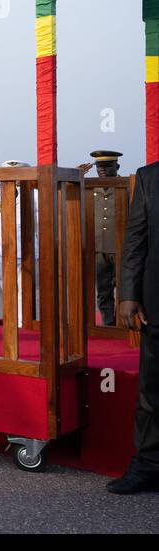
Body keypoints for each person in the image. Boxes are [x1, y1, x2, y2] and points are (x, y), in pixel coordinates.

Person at [109, 159, 159, 493]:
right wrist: (128, 294)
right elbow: (135, 240)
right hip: (156, 303)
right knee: (152, 393)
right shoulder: (149, 177)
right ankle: (148, 465)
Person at [0, 160, 36, 325]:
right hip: (0, 246)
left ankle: (21, 321)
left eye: (18, 173)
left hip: (25, 245)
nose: (14, 177)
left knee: (22, 286)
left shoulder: (34, 193)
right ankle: (10, 317)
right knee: (5, 285)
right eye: (9, 173)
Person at [88, 150, 123, 326]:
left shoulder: (126, 186)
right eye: (99, 166)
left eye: (106, 166)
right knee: (103, 290)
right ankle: (108, 324)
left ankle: (124, 325)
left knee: (125, 289)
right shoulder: (91, 188)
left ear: (117, 166)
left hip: (121, 247)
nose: (102, 170)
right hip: (98, 248)